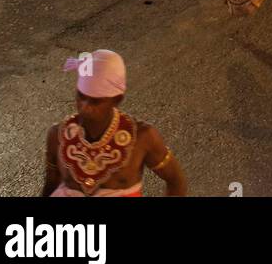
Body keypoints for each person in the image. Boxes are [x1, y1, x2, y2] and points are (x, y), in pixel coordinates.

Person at [42, 48, 186, 197]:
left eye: (95, 101)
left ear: (117, 99)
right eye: (81, 96)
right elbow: (51, 185)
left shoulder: (143, 138)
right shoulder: (57, 136)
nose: (84, 107)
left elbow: (176, 181)